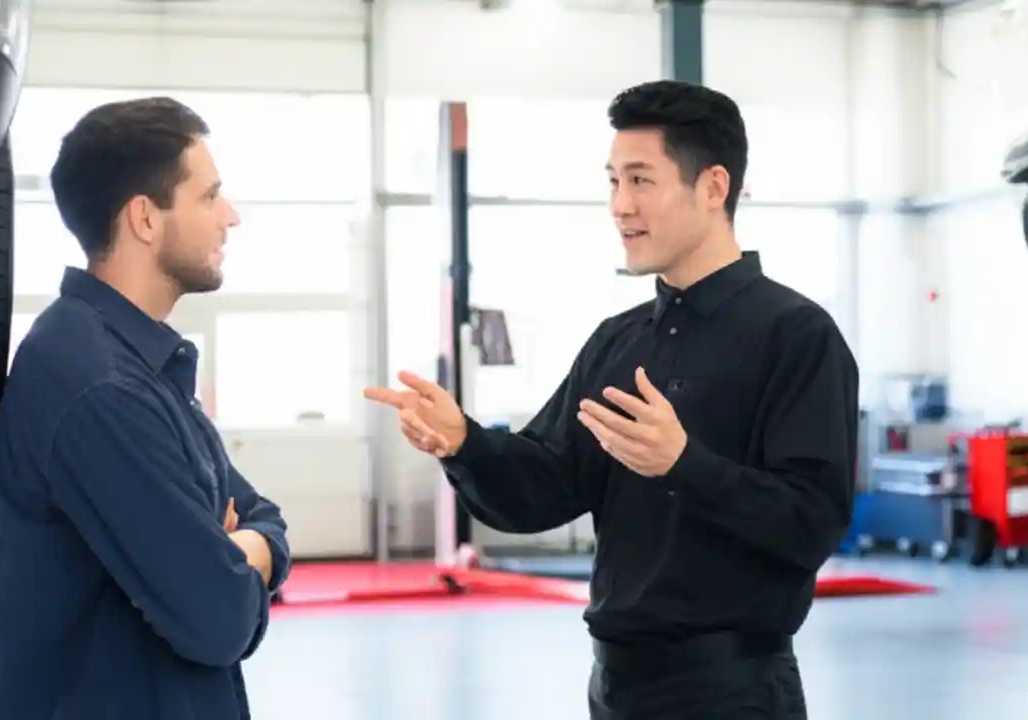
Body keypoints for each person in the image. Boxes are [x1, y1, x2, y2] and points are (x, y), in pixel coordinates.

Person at [365, 80, 858, 719]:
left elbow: (812, 521)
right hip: (616, 686)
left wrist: (685, 464)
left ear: (713, 188)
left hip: (732, 692)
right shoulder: (619, 342)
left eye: (640, 180)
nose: (620, 206)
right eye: (612, 182)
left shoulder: (795, 335)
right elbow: (546, 485)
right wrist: (465, 443)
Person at [0, 97, 291, 720]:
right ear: (145, 218)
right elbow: (219, 617)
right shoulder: (97, 387)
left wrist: (243, 547)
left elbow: (265, 517)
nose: (230, 217)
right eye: (209, 197)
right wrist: (237, 554)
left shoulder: (139, 365)